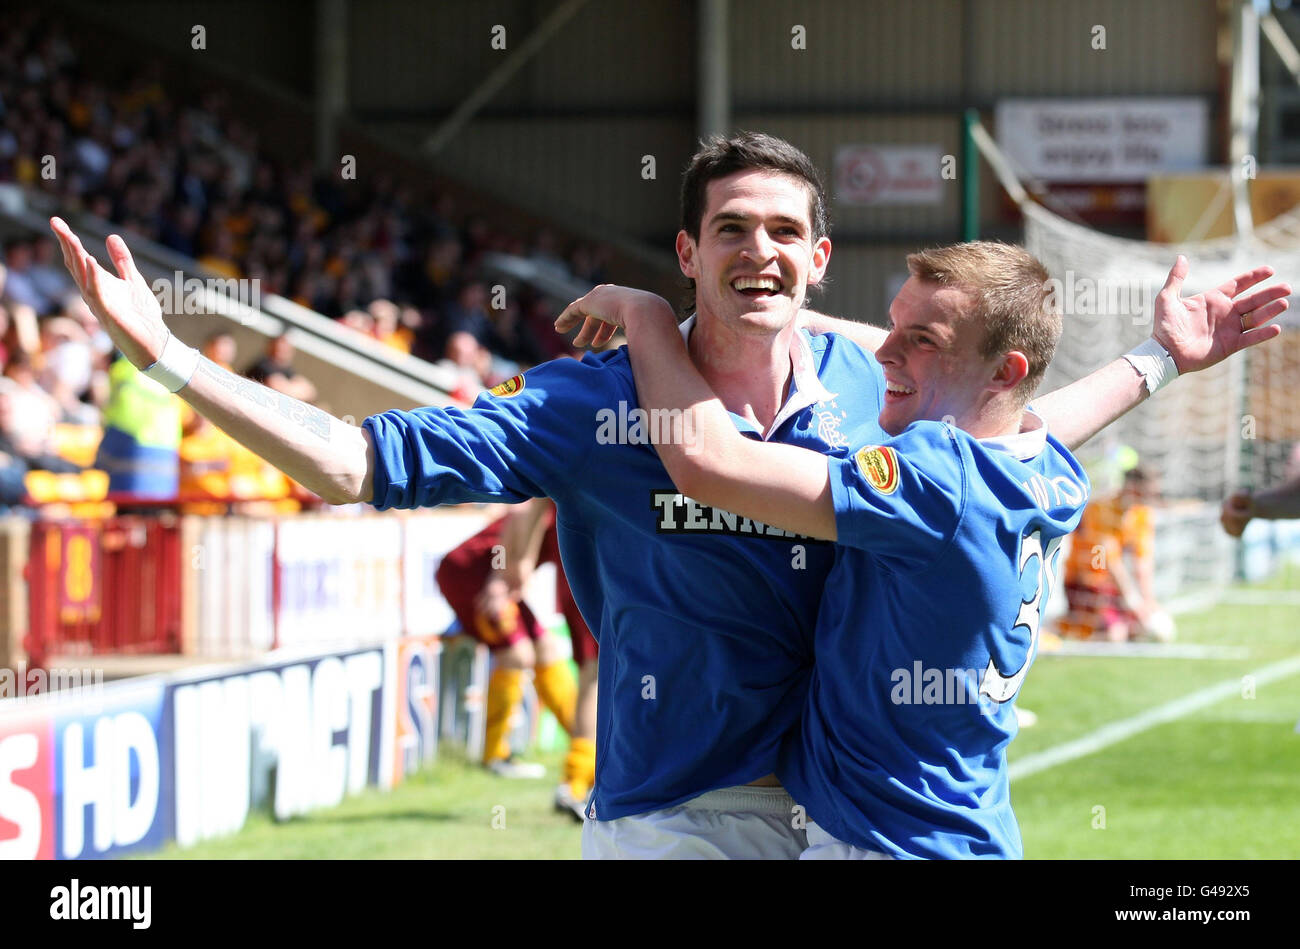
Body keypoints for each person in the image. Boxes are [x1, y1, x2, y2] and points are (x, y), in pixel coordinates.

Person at [47, 130, 1287, 859]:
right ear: (690, 251)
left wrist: (1164, 356)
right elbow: (349, 462)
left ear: (817, 258)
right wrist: (168, 357)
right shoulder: (587, 403)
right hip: (671, 811)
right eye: (729, 227)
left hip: (829, 814)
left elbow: (1014, 448)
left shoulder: (882, 387)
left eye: (784, 231)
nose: (759, 247)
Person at [554, 239, 1285, 858]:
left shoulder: (931, 480)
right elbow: (1049, 413)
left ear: (1005, 373)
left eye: (920, 341)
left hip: (886, 839)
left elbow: (709, 463)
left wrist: (651, 316)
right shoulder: (1041, 462)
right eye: (890, 326)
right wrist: (1160, 358)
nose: (884, 352)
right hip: (967, 826)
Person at [435, 498, 598, 819]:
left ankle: (588, 760)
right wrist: (506, 573)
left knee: (550, 651)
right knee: (519, 656)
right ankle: (496, 755)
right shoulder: (570, 479)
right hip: (474, 576)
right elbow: (525, 509)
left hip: (495, 576)